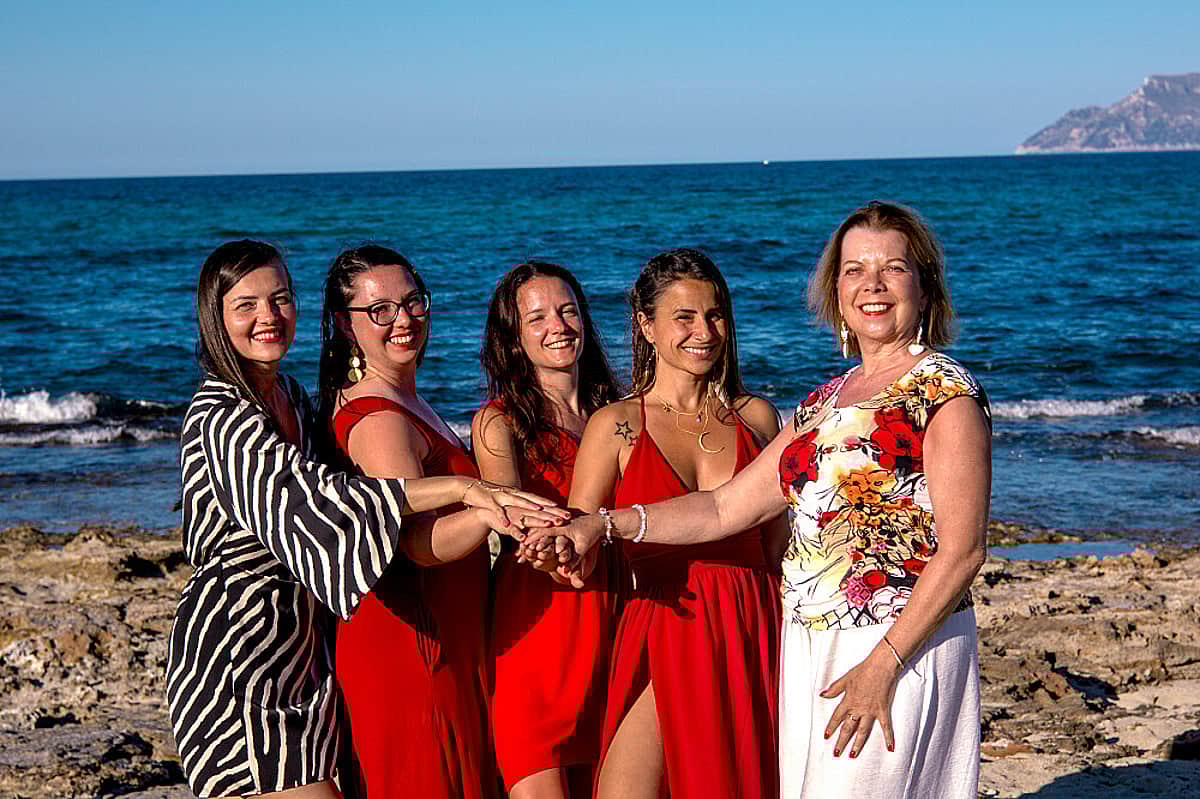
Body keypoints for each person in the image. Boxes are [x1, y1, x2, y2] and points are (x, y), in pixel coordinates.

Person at [528, 202, 992, 798]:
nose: (872, 285)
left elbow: (963, 552)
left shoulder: (946, 391)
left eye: (893, 268)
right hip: (807, 644)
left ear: (925, 290)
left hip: (895, 642)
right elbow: (725, 507)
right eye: (854, 270)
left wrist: (883, 665)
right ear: (836, 290)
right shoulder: (824, 401)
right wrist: (603, 525)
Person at [166, 240, 556, 799]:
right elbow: (318, 499)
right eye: (246, 305)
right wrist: (469, 492)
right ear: (215, 317)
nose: (268, 316)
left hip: (304, 658)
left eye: (280, 298)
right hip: (242, 660)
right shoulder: (221, 414)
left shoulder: (291, 396)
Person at [319, 244, 550, 799]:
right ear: (346, 326)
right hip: (413, 648)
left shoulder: (403, 398)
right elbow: (417, 544)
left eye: (412, 302)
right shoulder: (377, 418)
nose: (403, 320)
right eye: (380, 310)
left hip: (448, 635)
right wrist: (492, 509)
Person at [555, 248, 787, 798]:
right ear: (646, 326)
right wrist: (560, 555)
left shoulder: (756, 417)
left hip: (752, 624)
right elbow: (580, 550)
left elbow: (780, 550)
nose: (704, 332)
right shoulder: (616, 425)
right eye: (684, 317)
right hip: (664, 625)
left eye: (714, 314)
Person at [472, 261, 624, 799]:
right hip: (539, 620)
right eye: (536, 318)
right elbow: (512, 514)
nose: (558, 326)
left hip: (614, 616)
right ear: (513, 338)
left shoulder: (619, 413)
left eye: (567, 311)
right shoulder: (499, 421)